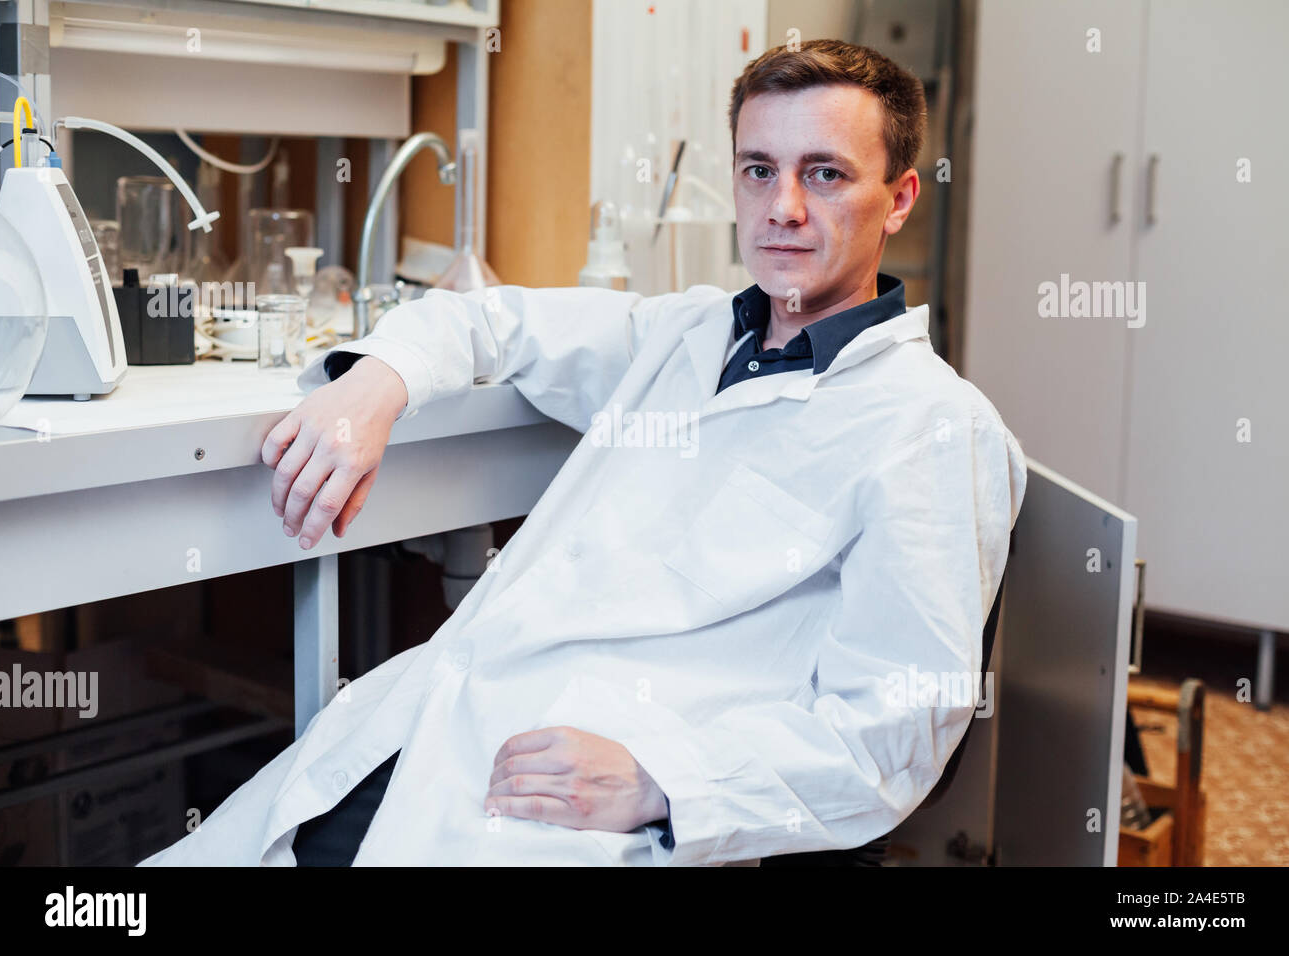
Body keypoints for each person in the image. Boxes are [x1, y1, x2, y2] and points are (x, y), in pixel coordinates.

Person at [141, 38, 1026, 867]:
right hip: (429, 729)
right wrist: (378, 383)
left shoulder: (932, 428)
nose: (784, 208)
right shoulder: (686, 333)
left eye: (825, 174)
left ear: (901, 198)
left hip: (583, 806)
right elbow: (497, 319)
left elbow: (892, 735)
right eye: (760, 171)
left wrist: (662, 785)